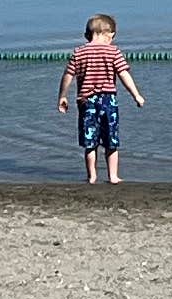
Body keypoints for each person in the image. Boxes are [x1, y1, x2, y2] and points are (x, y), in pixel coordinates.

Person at [56, 12, 145, 186]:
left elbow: (68, 75)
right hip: (108, 100)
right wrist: (136, 95)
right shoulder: (113, 51)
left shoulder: (79, 52)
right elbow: (123, 74)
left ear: (87, 35)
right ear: (108, 34)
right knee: (112, 140)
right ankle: (113, 176)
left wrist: (62, 96)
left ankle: (92, 176)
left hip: (86, 101)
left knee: (90, 142)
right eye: (113, 37)